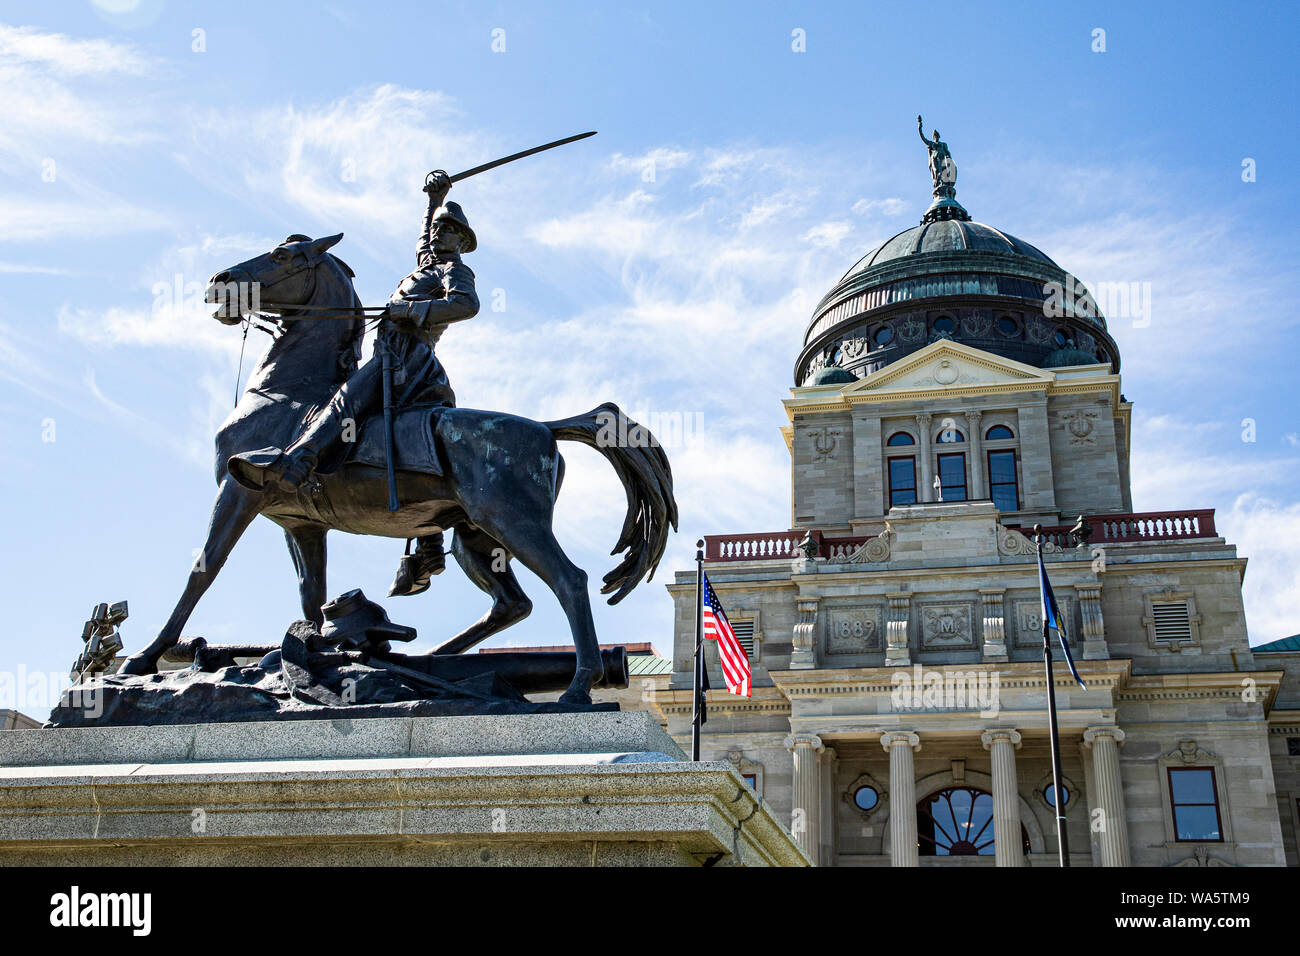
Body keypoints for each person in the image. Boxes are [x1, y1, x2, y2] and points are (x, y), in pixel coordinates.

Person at [229, 170, 479, 596]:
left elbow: (465, 305)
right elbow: (422, 243)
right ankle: (426, 535)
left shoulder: (455, 270)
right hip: (390, 356)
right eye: (437, 229)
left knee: (344, 402)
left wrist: (412, 313)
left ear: (460, 239)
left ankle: (297, 461)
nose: (438, 236)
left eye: (446, 231)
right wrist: (436, 198)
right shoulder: (429, 264)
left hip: (406, 361)